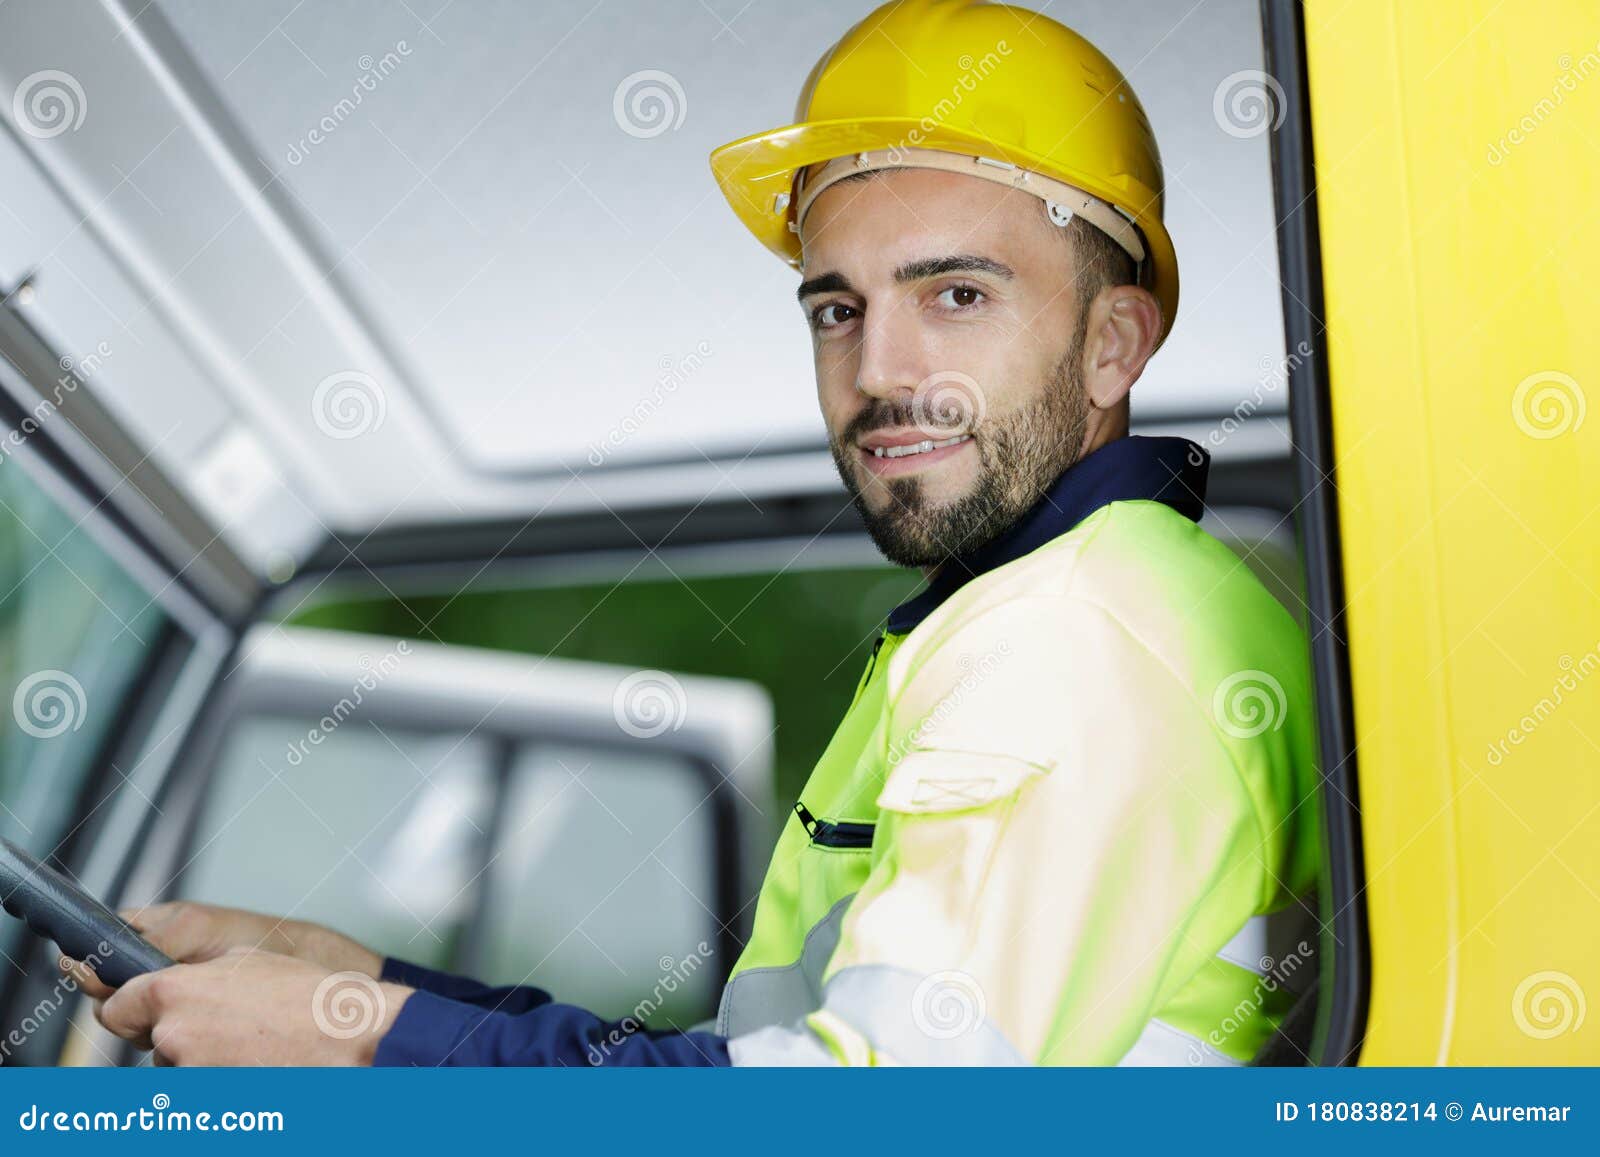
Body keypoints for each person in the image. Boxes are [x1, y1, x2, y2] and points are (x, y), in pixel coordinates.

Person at [68, 0, 1321, 1066]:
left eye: (955, 293)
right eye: (837, 309)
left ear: (1112, 343)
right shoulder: (1075, 602)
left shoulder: (1072, 642)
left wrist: (363, 1041)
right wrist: (353, 984)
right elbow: (767, 1065)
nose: (879, 371)